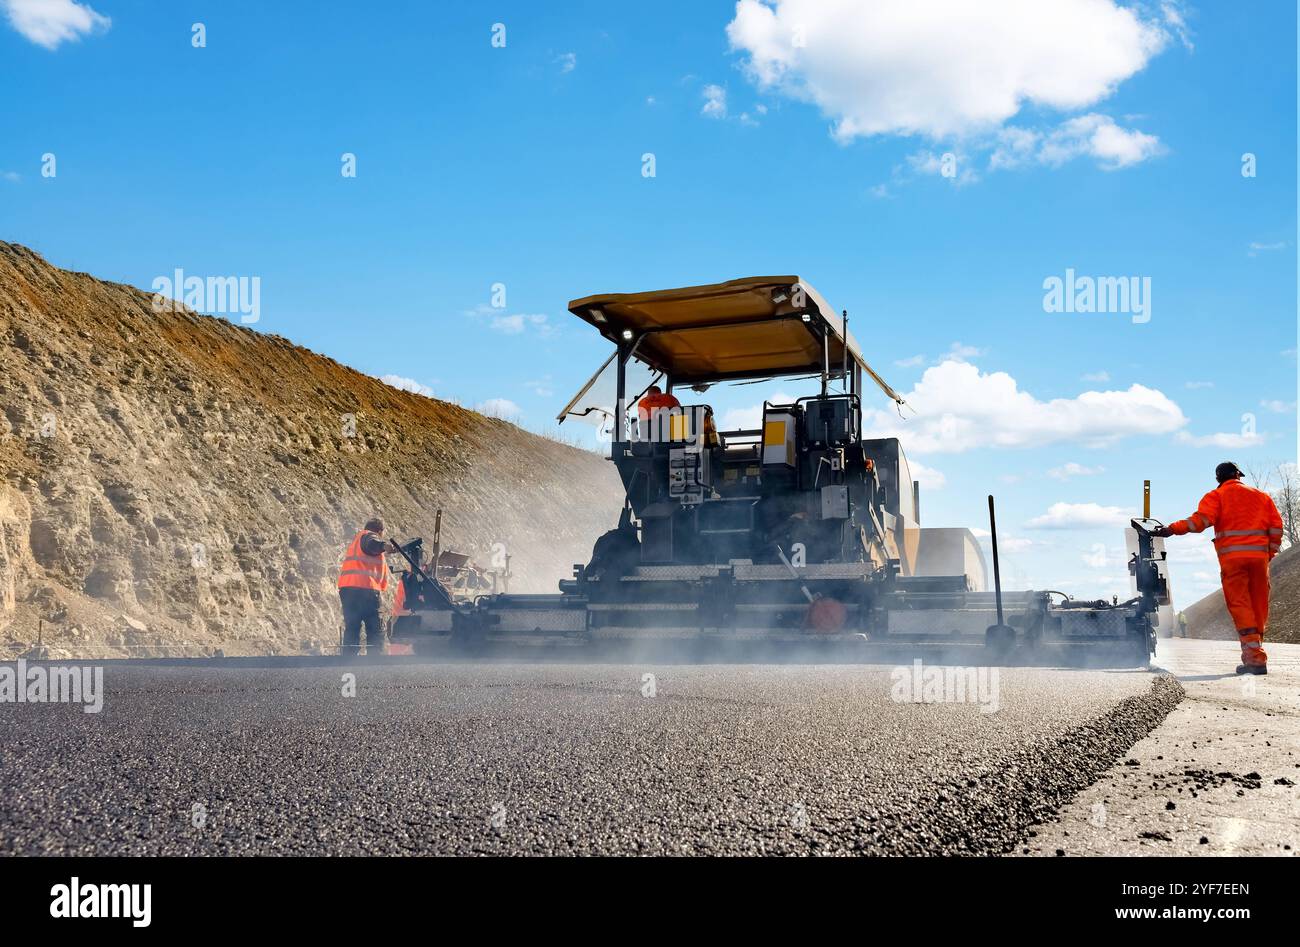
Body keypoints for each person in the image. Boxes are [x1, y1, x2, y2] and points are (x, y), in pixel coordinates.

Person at [1152, 462, 1282, 675]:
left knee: (1241, 605)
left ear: (1218, 478)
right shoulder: (1262, 496)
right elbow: (1277, 527)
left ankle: (1255, 660)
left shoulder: (1216, 496)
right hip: (1259, 560)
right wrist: (1269, 553)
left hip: (1233, 561)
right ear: (1239, 475)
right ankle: (1256, 654)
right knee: (1259, 605)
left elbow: (1199, 522)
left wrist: (1171, 529)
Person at [337, 517, 389, 657]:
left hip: (347, 589)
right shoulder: (369, 536)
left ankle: (348, 660)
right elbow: (373, 544)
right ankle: (374, 662)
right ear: (379, 531)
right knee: (374, 627)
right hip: (365, 589)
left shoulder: (357, 541)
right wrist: (385, 546)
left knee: (352, 626)